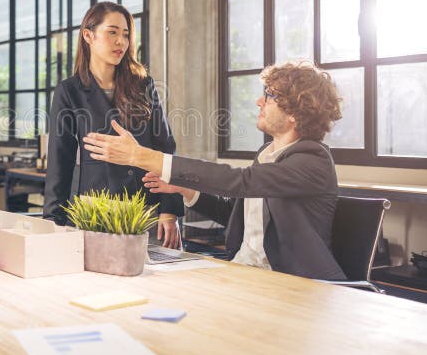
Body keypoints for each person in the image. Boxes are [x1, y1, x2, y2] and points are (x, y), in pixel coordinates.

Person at [82, 61, 346, 279]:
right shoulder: (267, 155)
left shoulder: (312, 160)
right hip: (243, 272)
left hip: (290, 283)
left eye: (270, 95)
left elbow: (239, 181)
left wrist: (140, 155)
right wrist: (185, 189)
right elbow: (236, 214)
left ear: (295, 114)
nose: (259, 101)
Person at [44, 1, 184, 247]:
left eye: (126, 35)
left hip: (147, 210)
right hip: (97, 211)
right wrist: (52, 222)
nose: (121, 41)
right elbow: (59, 161)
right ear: (89, 35)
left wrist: (169, 210)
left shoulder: (144, 85)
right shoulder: (69, 91)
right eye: (113, 32)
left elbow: (165, 147)